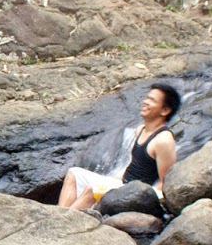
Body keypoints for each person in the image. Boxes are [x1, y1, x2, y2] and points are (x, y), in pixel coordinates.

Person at [57, 82, 181, 210]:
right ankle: (59, 213)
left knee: (94, 188)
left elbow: (166, 182)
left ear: (165, 110)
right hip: (123, 184)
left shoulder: (163, 140)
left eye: (152, 100)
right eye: (147, 98)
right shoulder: (141, 130)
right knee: (74, 173)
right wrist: (110, 179)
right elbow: (135, 165)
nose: (145, 102)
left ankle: (66, 219)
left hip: (137, 194)